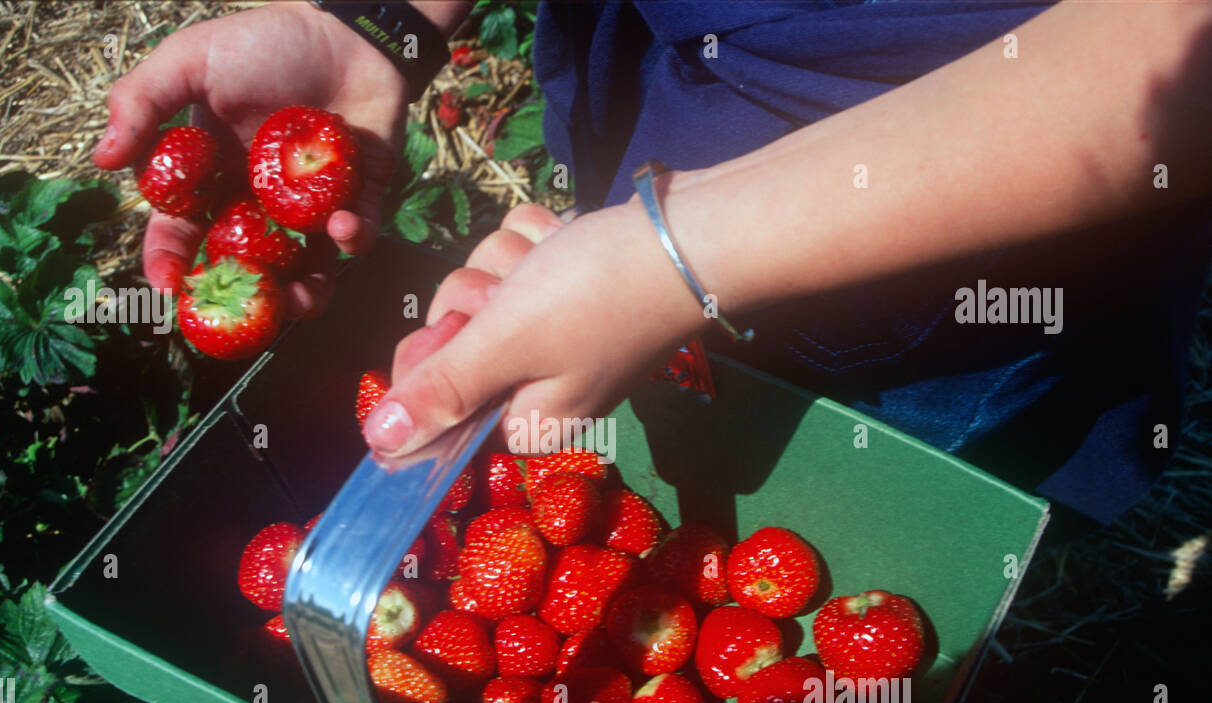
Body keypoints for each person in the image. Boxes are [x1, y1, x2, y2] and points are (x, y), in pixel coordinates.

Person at [95, 1, 1212, 532]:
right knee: (688, 473)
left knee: (890, 508)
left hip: (967, 246)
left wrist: (674, 258)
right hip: (654, 114)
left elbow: (1179, 47)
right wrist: (379, 23)